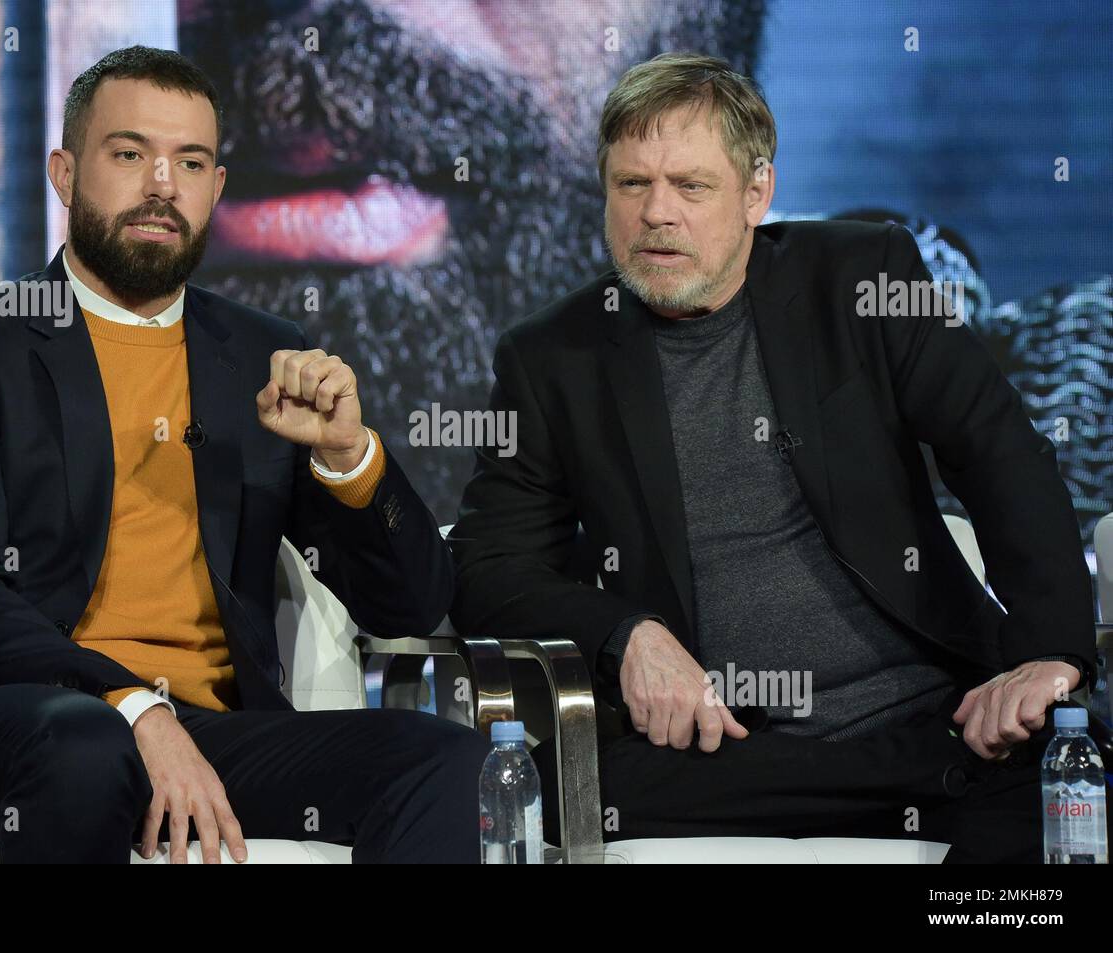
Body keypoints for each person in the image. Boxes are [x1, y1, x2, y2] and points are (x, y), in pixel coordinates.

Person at [0, 46, 488, 864]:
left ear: (216, 187)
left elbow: (410, 605)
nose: (162, 185)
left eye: (190, 161)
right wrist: (133, 705)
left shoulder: (261, 355)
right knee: (82, 742)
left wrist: (350, 460)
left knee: (447, 762)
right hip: (5, 723)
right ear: (65, 173)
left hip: (211, 734)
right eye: (130, 154)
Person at [449, 52, 1096, 863]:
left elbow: (1002, 454)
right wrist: (626, 633)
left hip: (925, 721)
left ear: (756, 193)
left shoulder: (865, 278)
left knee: (1061, 787)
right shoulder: (553, 357)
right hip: (715, 749)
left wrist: (1050, 653)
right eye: (631, 185)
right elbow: (486, 566)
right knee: (549, 801)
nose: (657, 214)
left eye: (691, 186)